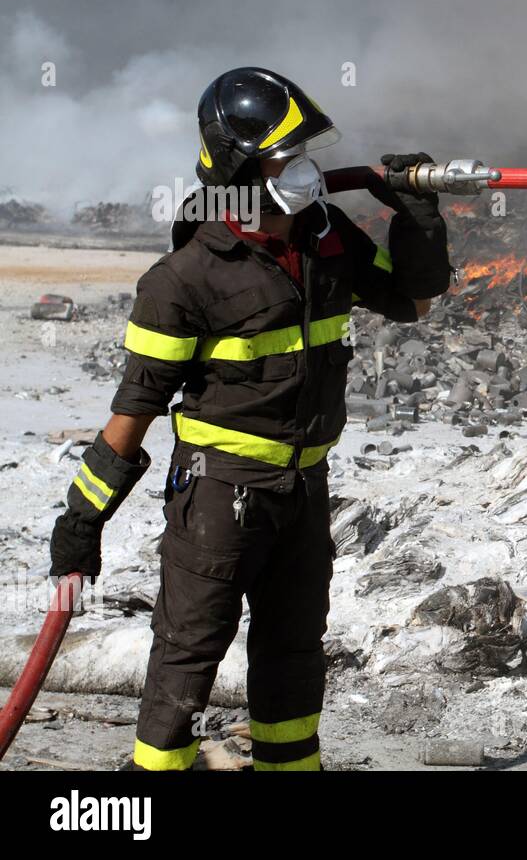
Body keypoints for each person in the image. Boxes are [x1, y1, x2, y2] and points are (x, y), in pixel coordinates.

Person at [46, 67, 451, 770]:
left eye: (304, 155)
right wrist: (81, 525)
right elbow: (132, 414)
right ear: (240, 166)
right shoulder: (183, 280)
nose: (303, 171)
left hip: (302, 491)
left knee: (292, 653)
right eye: (284, 157)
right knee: (188, 656)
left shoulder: (324, 236)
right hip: (219, 498)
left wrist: (416, 216)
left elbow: (411, 302)